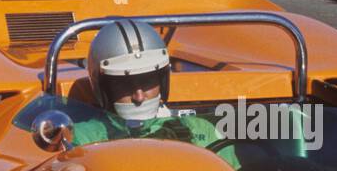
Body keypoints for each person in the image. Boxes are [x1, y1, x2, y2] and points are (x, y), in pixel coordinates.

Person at [37, 20, 221, 152]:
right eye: (124, 85)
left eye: (148, 81)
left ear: (163, 81)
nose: (139, 97)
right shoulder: (82, 139)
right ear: (104, 89)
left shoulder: (199, 130)